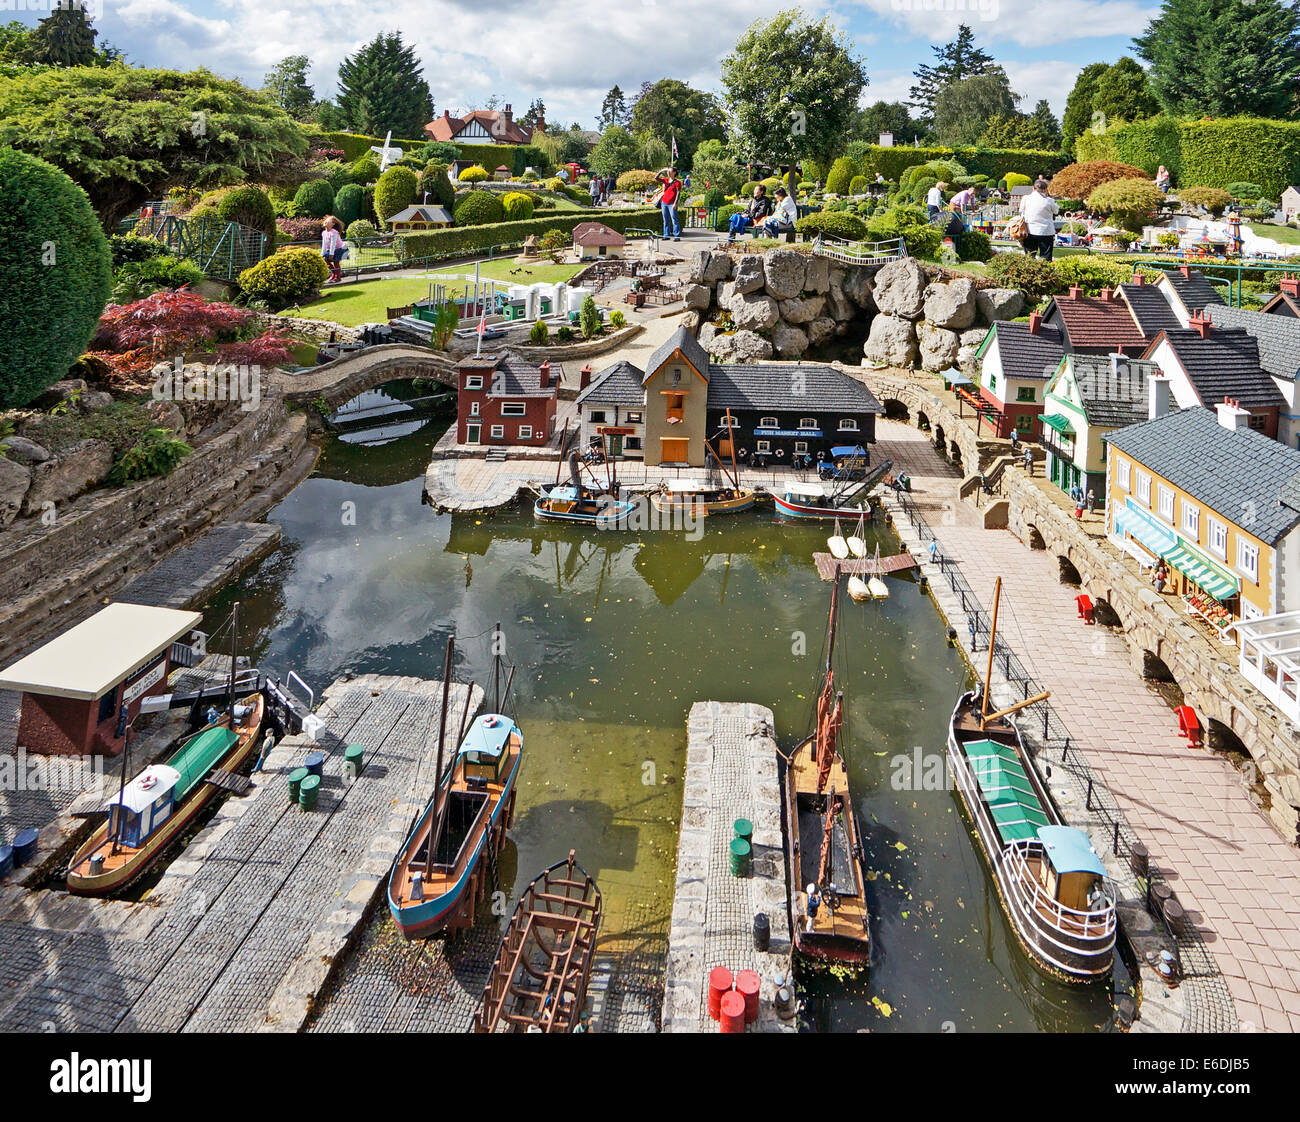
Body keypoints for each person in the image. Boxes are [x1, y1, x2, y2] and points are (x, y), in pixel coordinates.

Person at [1020, 179, 1060, 261]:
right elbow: (1056, 211)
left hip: (1029, 230)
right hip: (1046, 231)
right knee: (1045, 258)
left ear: (1033, 188)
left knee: (1029, 257)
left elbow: (1021, 211)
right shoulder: (1049, 201)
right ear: (1045, 190)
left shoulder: (1026, 198)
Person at [656, 166, 683, 240]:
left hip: (672, 204)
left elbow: (678, 193)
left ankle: (677, 236)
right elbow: (656, 178)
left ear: (674, 172)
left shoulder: (677, 183)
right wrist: (661, 171)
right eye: (667, 172)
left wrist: (675, 203)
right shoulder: (666, 180)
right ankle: (666, 235)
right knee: (666, 220)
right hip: (664, 203)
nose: (668, 173)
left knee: (674, 220)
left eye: (670, 171)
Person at [320, 215, 345, 283]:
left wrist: (331, 254)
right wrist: (322, 254)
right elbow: (324, 244)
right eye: (326, 220)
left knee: (336, 262)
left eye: (328, 220)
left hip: (339, 249)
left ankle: (338, 277)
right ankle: (334, 274)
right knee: (325, 260)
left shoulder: (334, 232)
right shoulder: (324, 233)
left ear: (333, 223)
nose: (326, 221)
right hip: (332, 250)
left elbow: (333, 244)